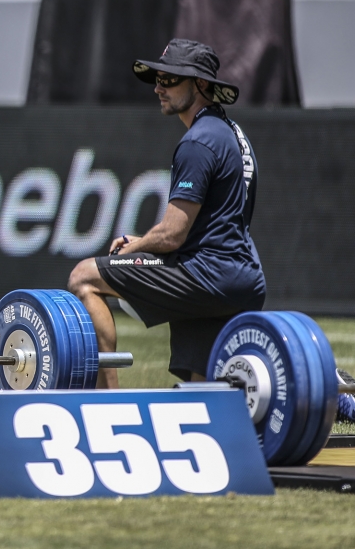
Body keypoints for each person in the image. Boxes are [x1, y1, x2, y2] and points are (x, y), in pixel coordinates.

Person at [67, 39, 264, 386]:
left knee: (84, 276)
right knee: (201, 390)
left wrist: (134, 248)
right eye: (158, 78)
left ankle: (106, 404)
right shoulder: (233, 133)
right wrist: (142, 242)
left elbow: (174, 233)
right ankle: (336, 393)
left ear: (201, 84)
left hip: (208, 274)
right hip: (244, 276)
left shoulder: (197, 142)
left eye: (170, 79)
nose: (159, 87)